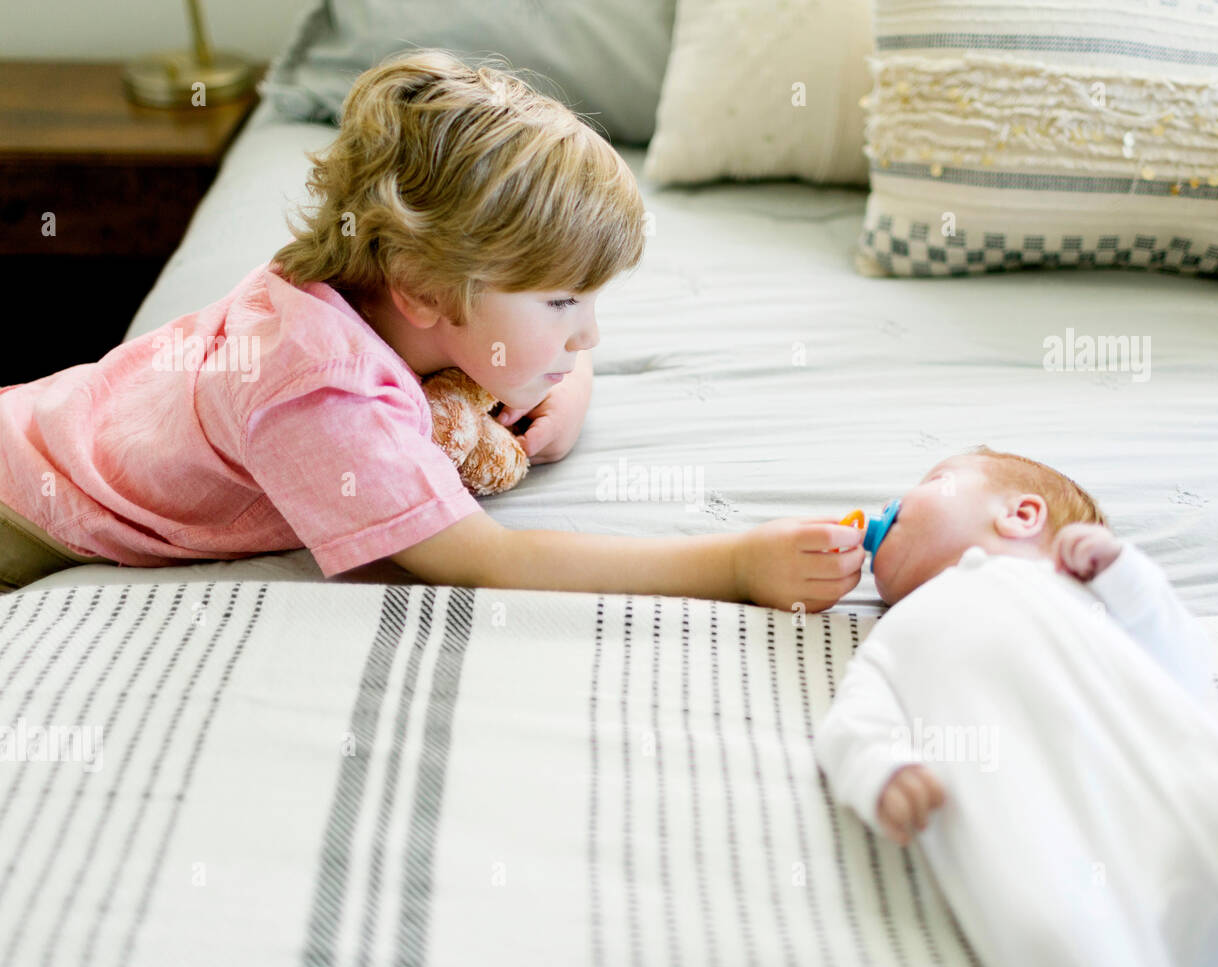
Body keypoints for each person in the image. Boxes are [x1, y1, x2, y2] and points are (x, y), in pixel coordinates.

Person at [0, 49, 864, 607]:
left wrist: (563, 397)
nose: (588, 336)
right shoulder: (321, 392)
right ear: (422, 285)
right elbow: (488, 562)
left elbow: (536, 361)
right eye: (563, 305)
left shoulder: (366, 279)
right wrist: (739, 566)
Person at [815, 446, 1218, 967]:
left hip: (1165, 779)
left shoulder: (1081, 588)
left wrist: (1125, 576)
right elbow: (853, 721)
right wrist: (882, 768)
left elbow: (1180, 664)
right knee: (1054, 934)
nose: (893, 503)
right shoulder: (895, 636)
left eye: (934, 480)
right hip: (1035, 825)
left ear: (1020, 515)